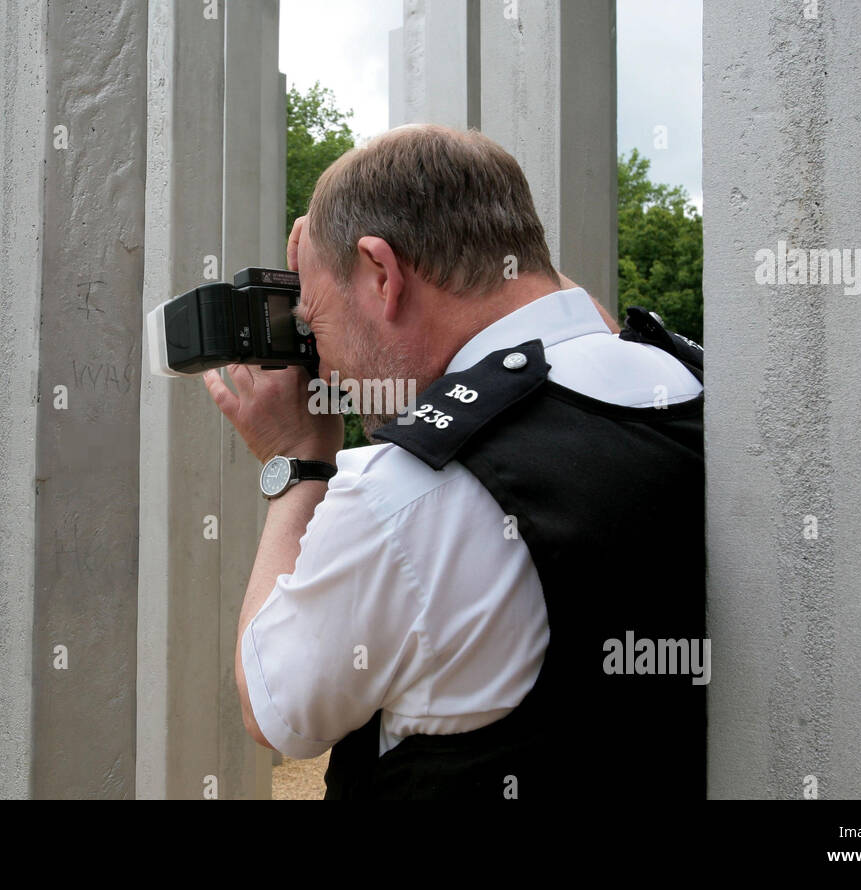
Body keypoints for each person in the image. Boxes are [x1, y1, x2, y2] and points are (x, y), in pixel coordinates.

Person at [203, 124, 706, 800]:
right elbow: (569, 325)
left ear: (383, 275)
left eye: (316, 324)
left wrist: (296, 464)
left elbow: (274, 710)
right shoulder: (690, 382)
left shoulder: (409, 494)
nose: (319, 364)